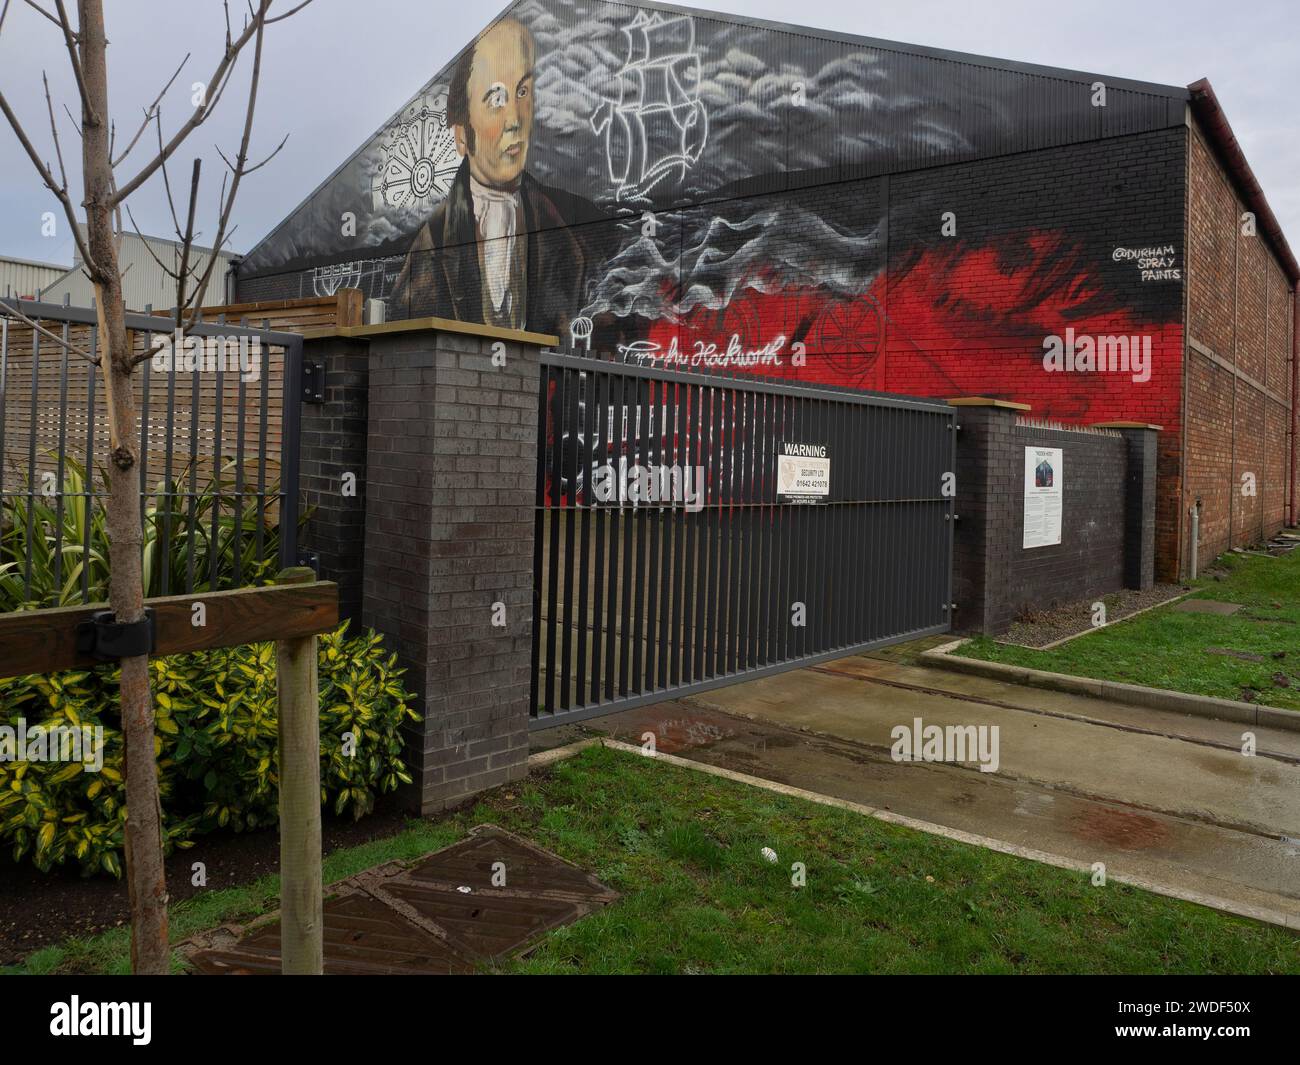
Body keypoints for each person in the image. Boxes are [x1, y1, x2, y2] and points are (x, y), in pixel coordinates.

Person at [389, 18, 601, 335]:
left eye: (523, 91)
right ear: (462, 134)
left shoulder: (573, 229)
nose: (514, 119)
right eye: (496, 98)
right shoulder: (431, 244)